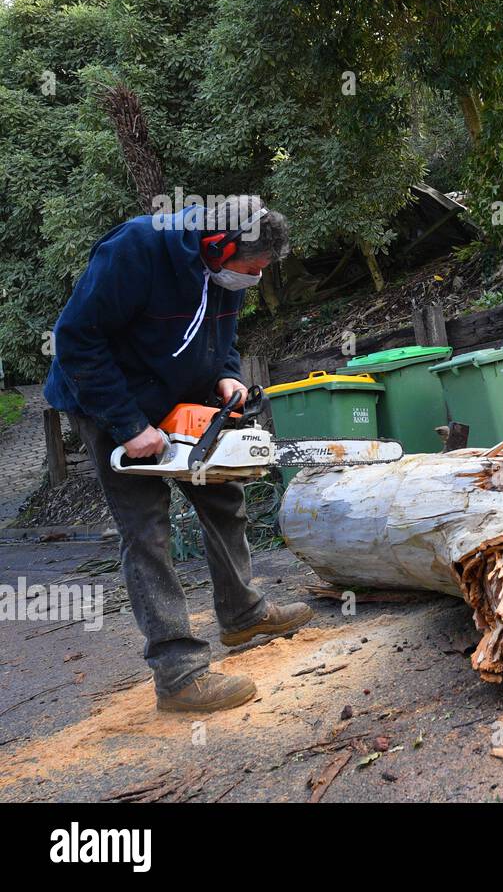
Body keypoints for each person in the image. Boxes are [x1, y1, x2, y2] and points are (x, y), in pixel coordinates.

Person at [45, 195, 312, 713]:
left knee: (223, 494)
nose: (253, 280)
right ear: (217, 244)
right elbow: (76, 340)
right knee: (146, 529)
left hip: (177, 394)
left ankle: (241, 612)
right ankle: (178, 674)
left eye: (261, 272)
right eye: (250, 269)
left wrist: (226, 373)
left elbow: (221, 333)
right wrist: (127, 424)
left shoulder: (226, 269)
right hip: (107, 397)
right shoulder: (138, 248)